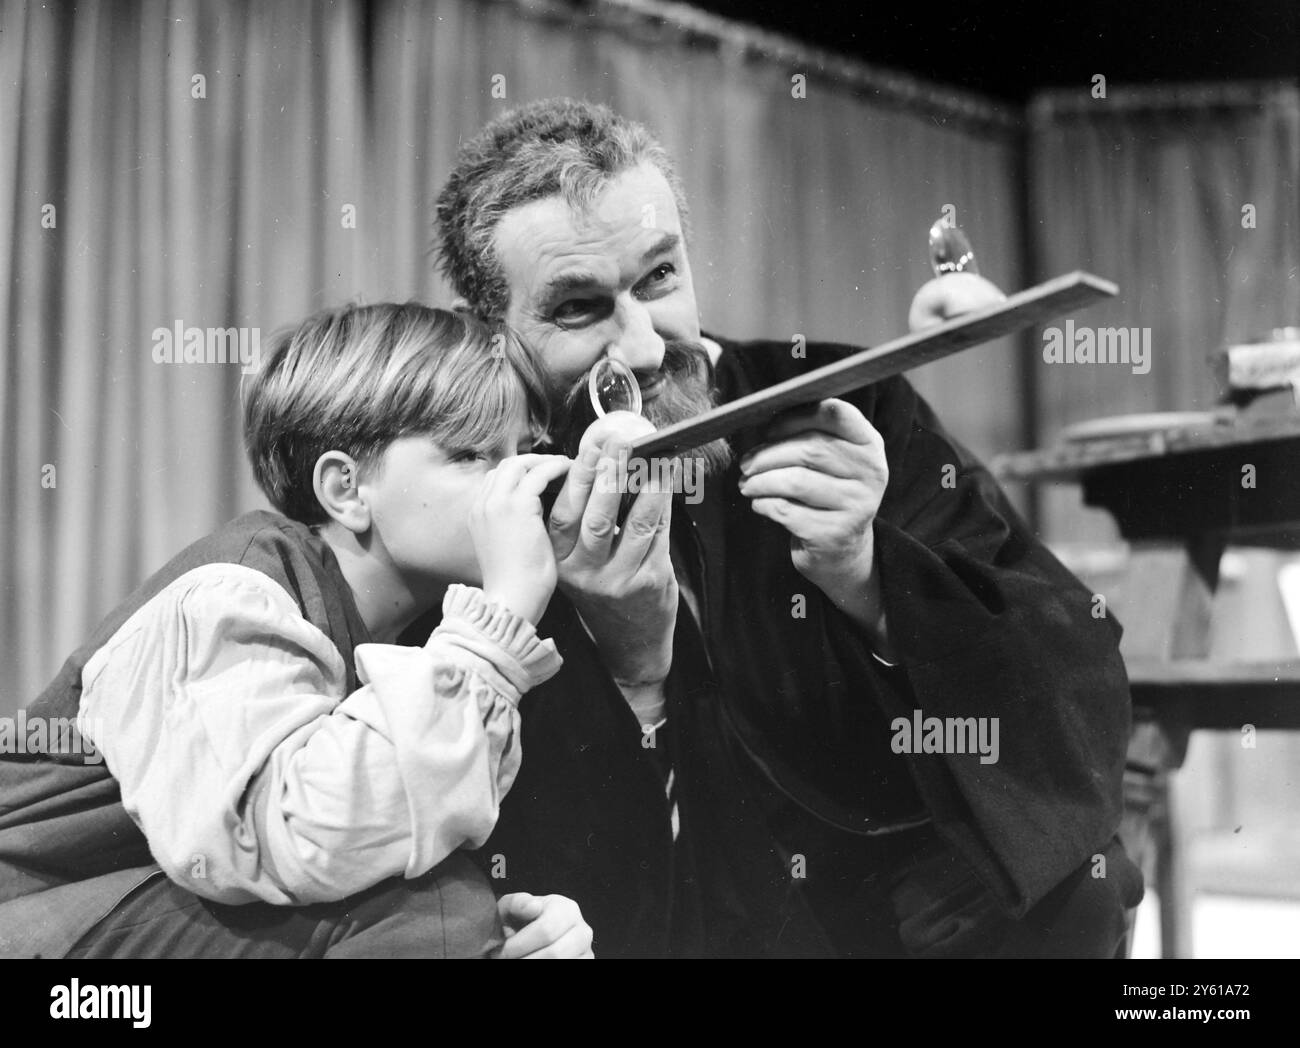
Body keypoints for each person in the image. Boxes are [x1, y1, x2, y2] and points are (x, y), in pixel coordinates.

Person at [429, 98, 1145, 957]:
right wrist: (633, 674)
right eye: (580, 309)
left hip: (902, 879)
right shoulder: (490, 489)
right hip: (689, 902)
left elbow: (1060, 659)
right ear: (493, 333)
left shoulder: (841, 400)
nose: (647, 349)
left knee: (1074, 889)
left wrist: (872, 574)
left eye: (659, 278)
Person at [0, 302, 594, 958]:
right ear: (346, 490)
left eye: (526, 452)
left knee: (457, 915)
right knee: (439, 911)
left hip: (112, 925)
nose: (519, 481)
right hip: (28, 919)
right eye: (475, 454)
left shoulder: (399, 636)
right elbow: (286, 840)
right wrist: (499, 620)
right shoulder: (237, 590)